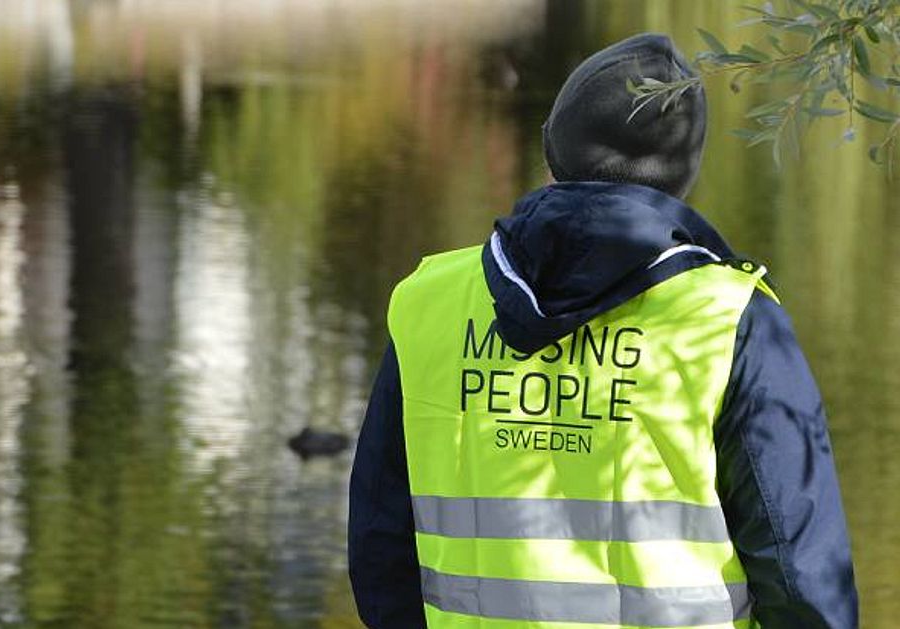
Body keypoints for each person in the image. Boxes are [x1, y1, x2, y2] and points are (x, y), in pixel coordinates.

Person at [347, 33, 858, 629]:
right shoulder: (729, 318)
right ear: (682, 173)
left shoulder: (429, 302)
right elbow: (801, 577)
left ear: (553, 150)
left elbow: (380, 548)